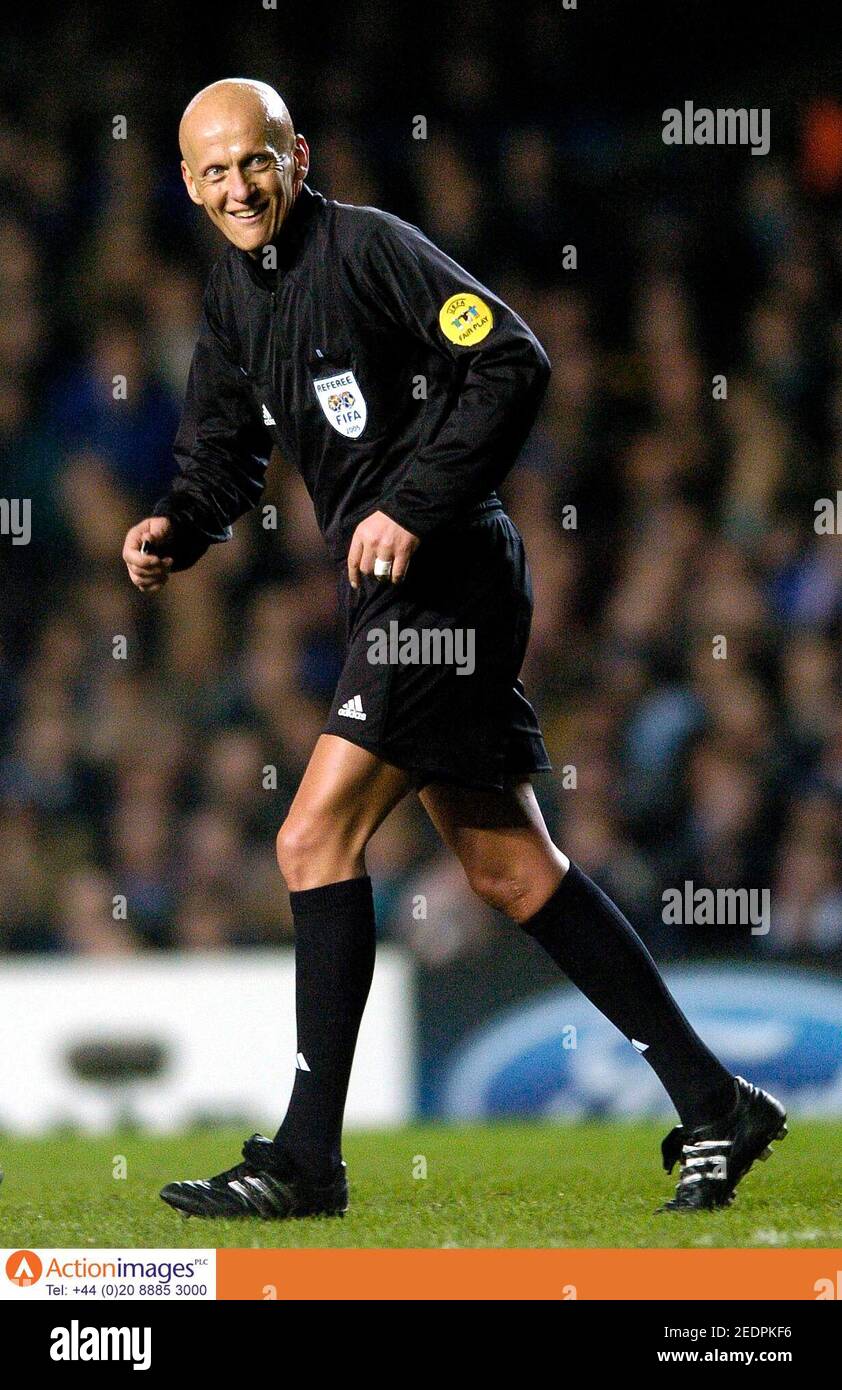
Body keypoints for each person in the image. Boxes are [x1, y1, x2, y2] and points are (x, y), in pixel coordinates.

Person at [122, 79, 786, 1219]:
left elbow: (512, 359)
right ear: (186, 183)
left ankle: (304, 1159)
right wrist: (176, 529)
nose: (238, 186)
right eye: (214, 171)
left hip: (447, 574)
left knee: (310, 833)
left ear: (298, 153)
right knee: (508, 870)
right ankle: (711, 1098)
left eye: (255, 161)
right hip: (392, 586)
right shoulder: (234, 299)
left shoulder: (370, 249)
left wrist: (416, 504)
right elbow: (222, 450)